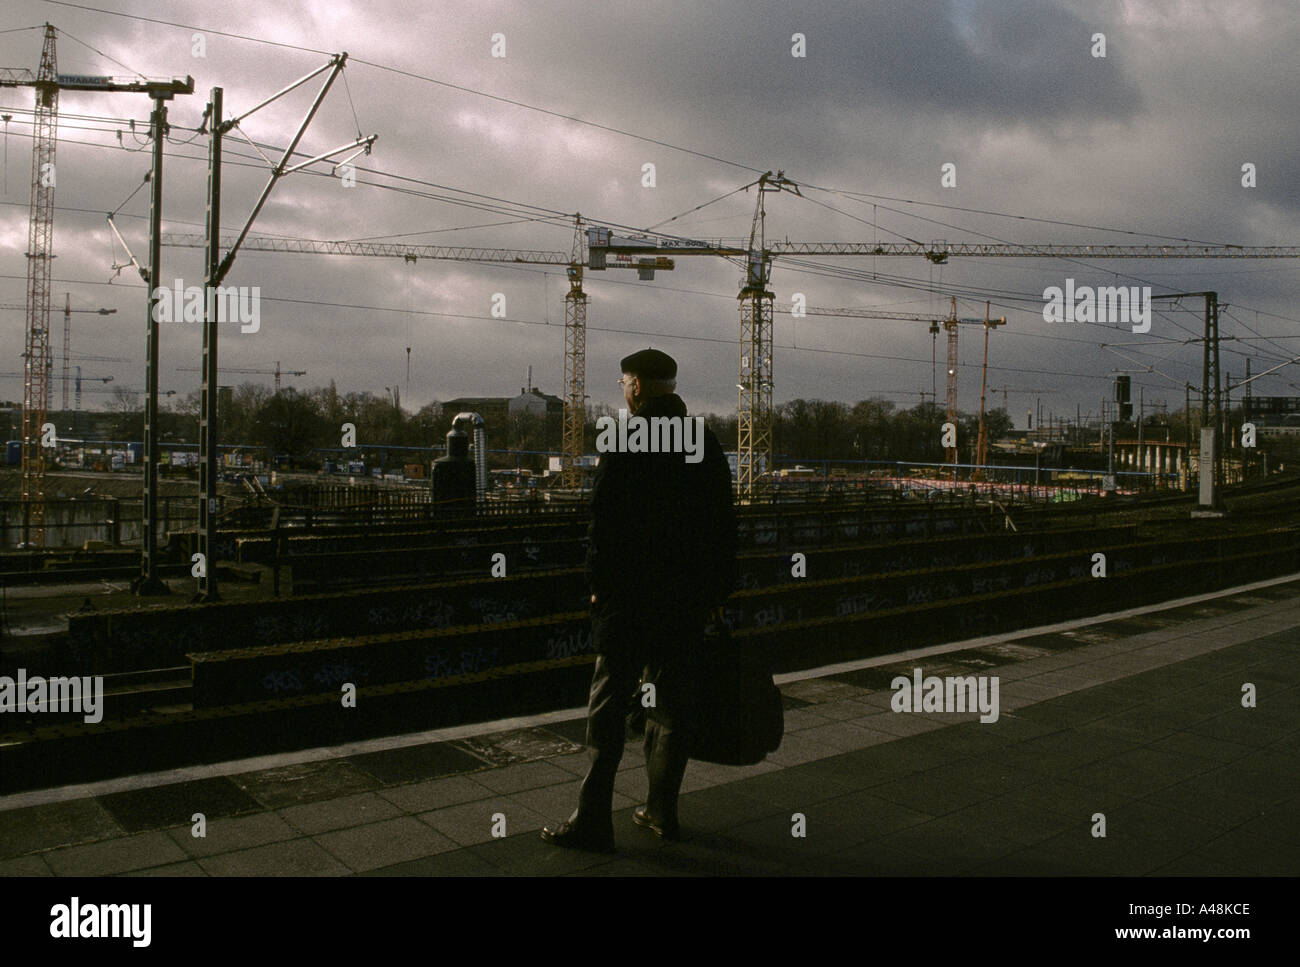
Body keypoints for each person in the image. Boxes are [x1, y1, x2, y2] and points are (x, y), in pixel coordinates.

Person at [541, 347, 736, 851]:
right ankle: (660, 811)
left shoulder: (625, 438)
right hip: (684, 601)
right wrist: (715, 592)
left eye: (624, 382)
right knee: (671, 708)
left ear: (636, 388)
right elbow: (722, 527)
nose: (624, 390)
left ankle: (592, 819)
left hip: (627, 600)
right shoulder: (703, 441)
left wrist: (598, 586)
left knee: (606, 706)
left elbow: (603, 526)